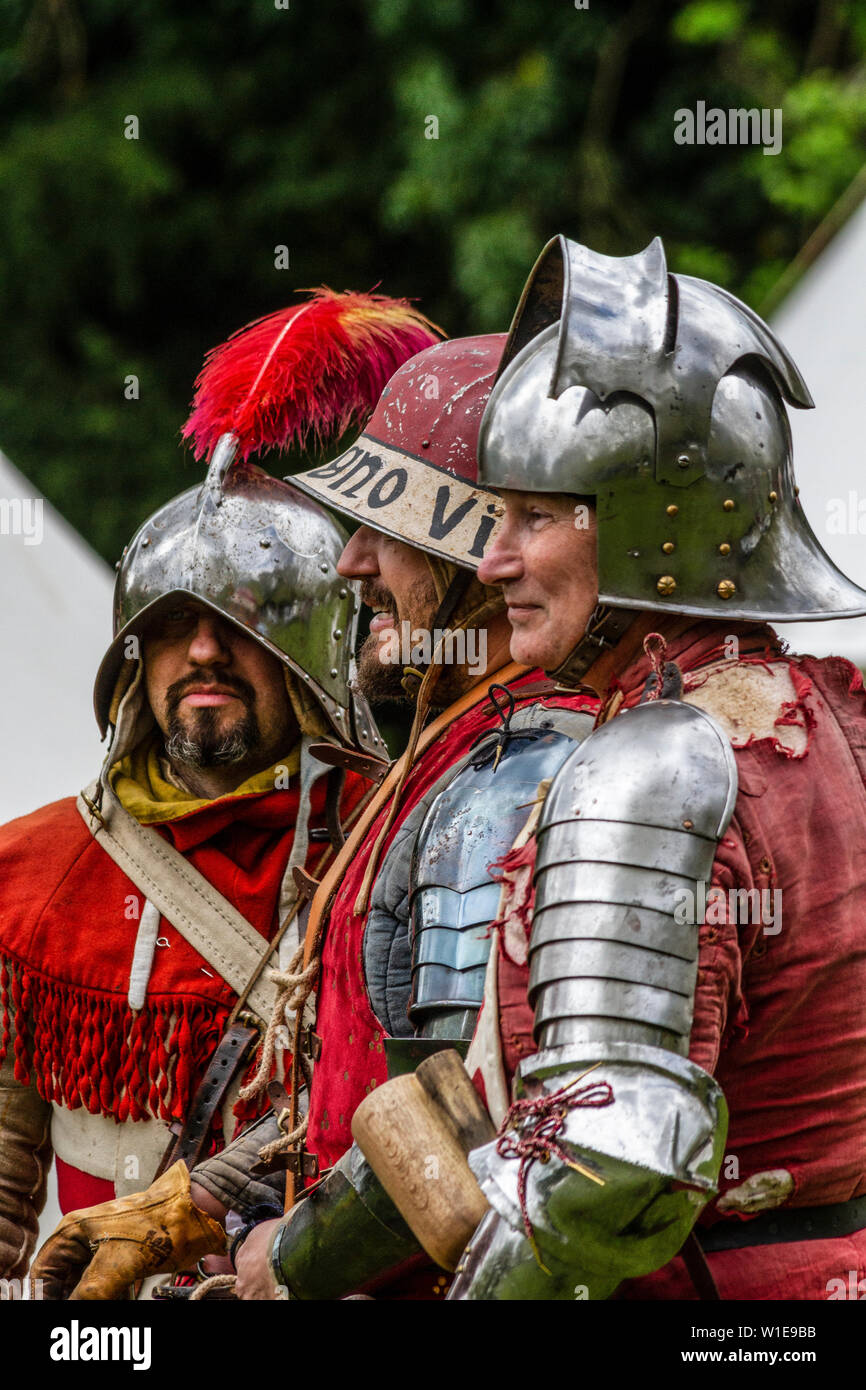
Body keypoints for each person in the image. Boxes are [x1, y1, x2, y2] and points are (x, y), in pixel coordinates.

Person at [32, 332, 601, 1300]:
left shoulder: (514, 768)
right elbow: (357, 1093)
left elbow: (466, 1123)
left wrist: (271, 1269)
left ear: (465, 557)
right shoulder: (448, 759)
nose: (350, 564)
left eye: (383, 532)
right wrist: (199, 1202)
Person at [440, 234, 866, 1299]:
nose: (492, 561)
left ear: (651, 528)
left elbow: (606, 1168)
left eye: (534, 517)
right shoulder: (834, 720)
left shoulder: (654, 769)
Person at [2, 288, 437, 1292]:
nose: (201, 651)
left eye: (242, 624)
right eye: (170, 625)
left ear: (307, 661)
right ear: (129, 654)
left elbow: (416, 1111)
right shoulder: (28, 875)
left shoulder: (395, 844)